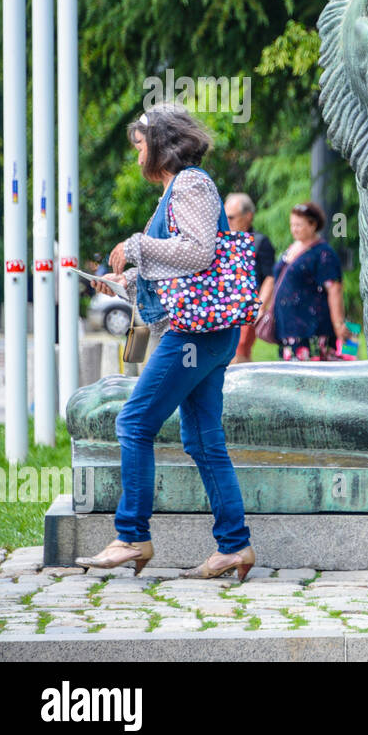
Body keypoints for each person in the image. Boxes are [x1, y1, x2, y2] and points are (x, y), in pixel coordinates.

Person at [77, 103, 255, 581]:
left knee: (134, 422)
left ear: (159, 144)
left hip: (194, 333)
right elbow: (182, 263)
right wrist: (127, 280)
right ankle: (234, 547)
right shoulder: (180, 188)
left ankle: (132, 535)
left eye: (140, 147)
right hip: (210, 333)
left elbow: (199, 252)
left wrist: (135, 245)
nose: (137, 158)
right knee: (203, 440)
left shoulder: (191, 183)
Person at [257, 201, 351, 361]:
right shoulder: (290, 249)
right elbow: (276, 280)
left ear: (313, 224)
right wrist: (262, 306)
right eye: (292, 224)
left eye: (299, 225)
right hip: (288, 328)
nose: (294, 229)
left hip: (313, 329)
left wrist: (339, 324)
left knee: (314, 376)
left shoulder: (323, 253)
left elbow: (334, 289)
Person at [225, 192, 275, 364]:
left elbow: (270, 278)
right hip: (223, 308)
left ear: (248, 216)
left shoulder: (260, 242)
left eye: (231, 217)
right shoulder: (223, 241)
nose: (227, 222)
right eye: (225, 217)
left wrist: (259, 307)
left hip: (246, 308)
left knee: (239, 353)